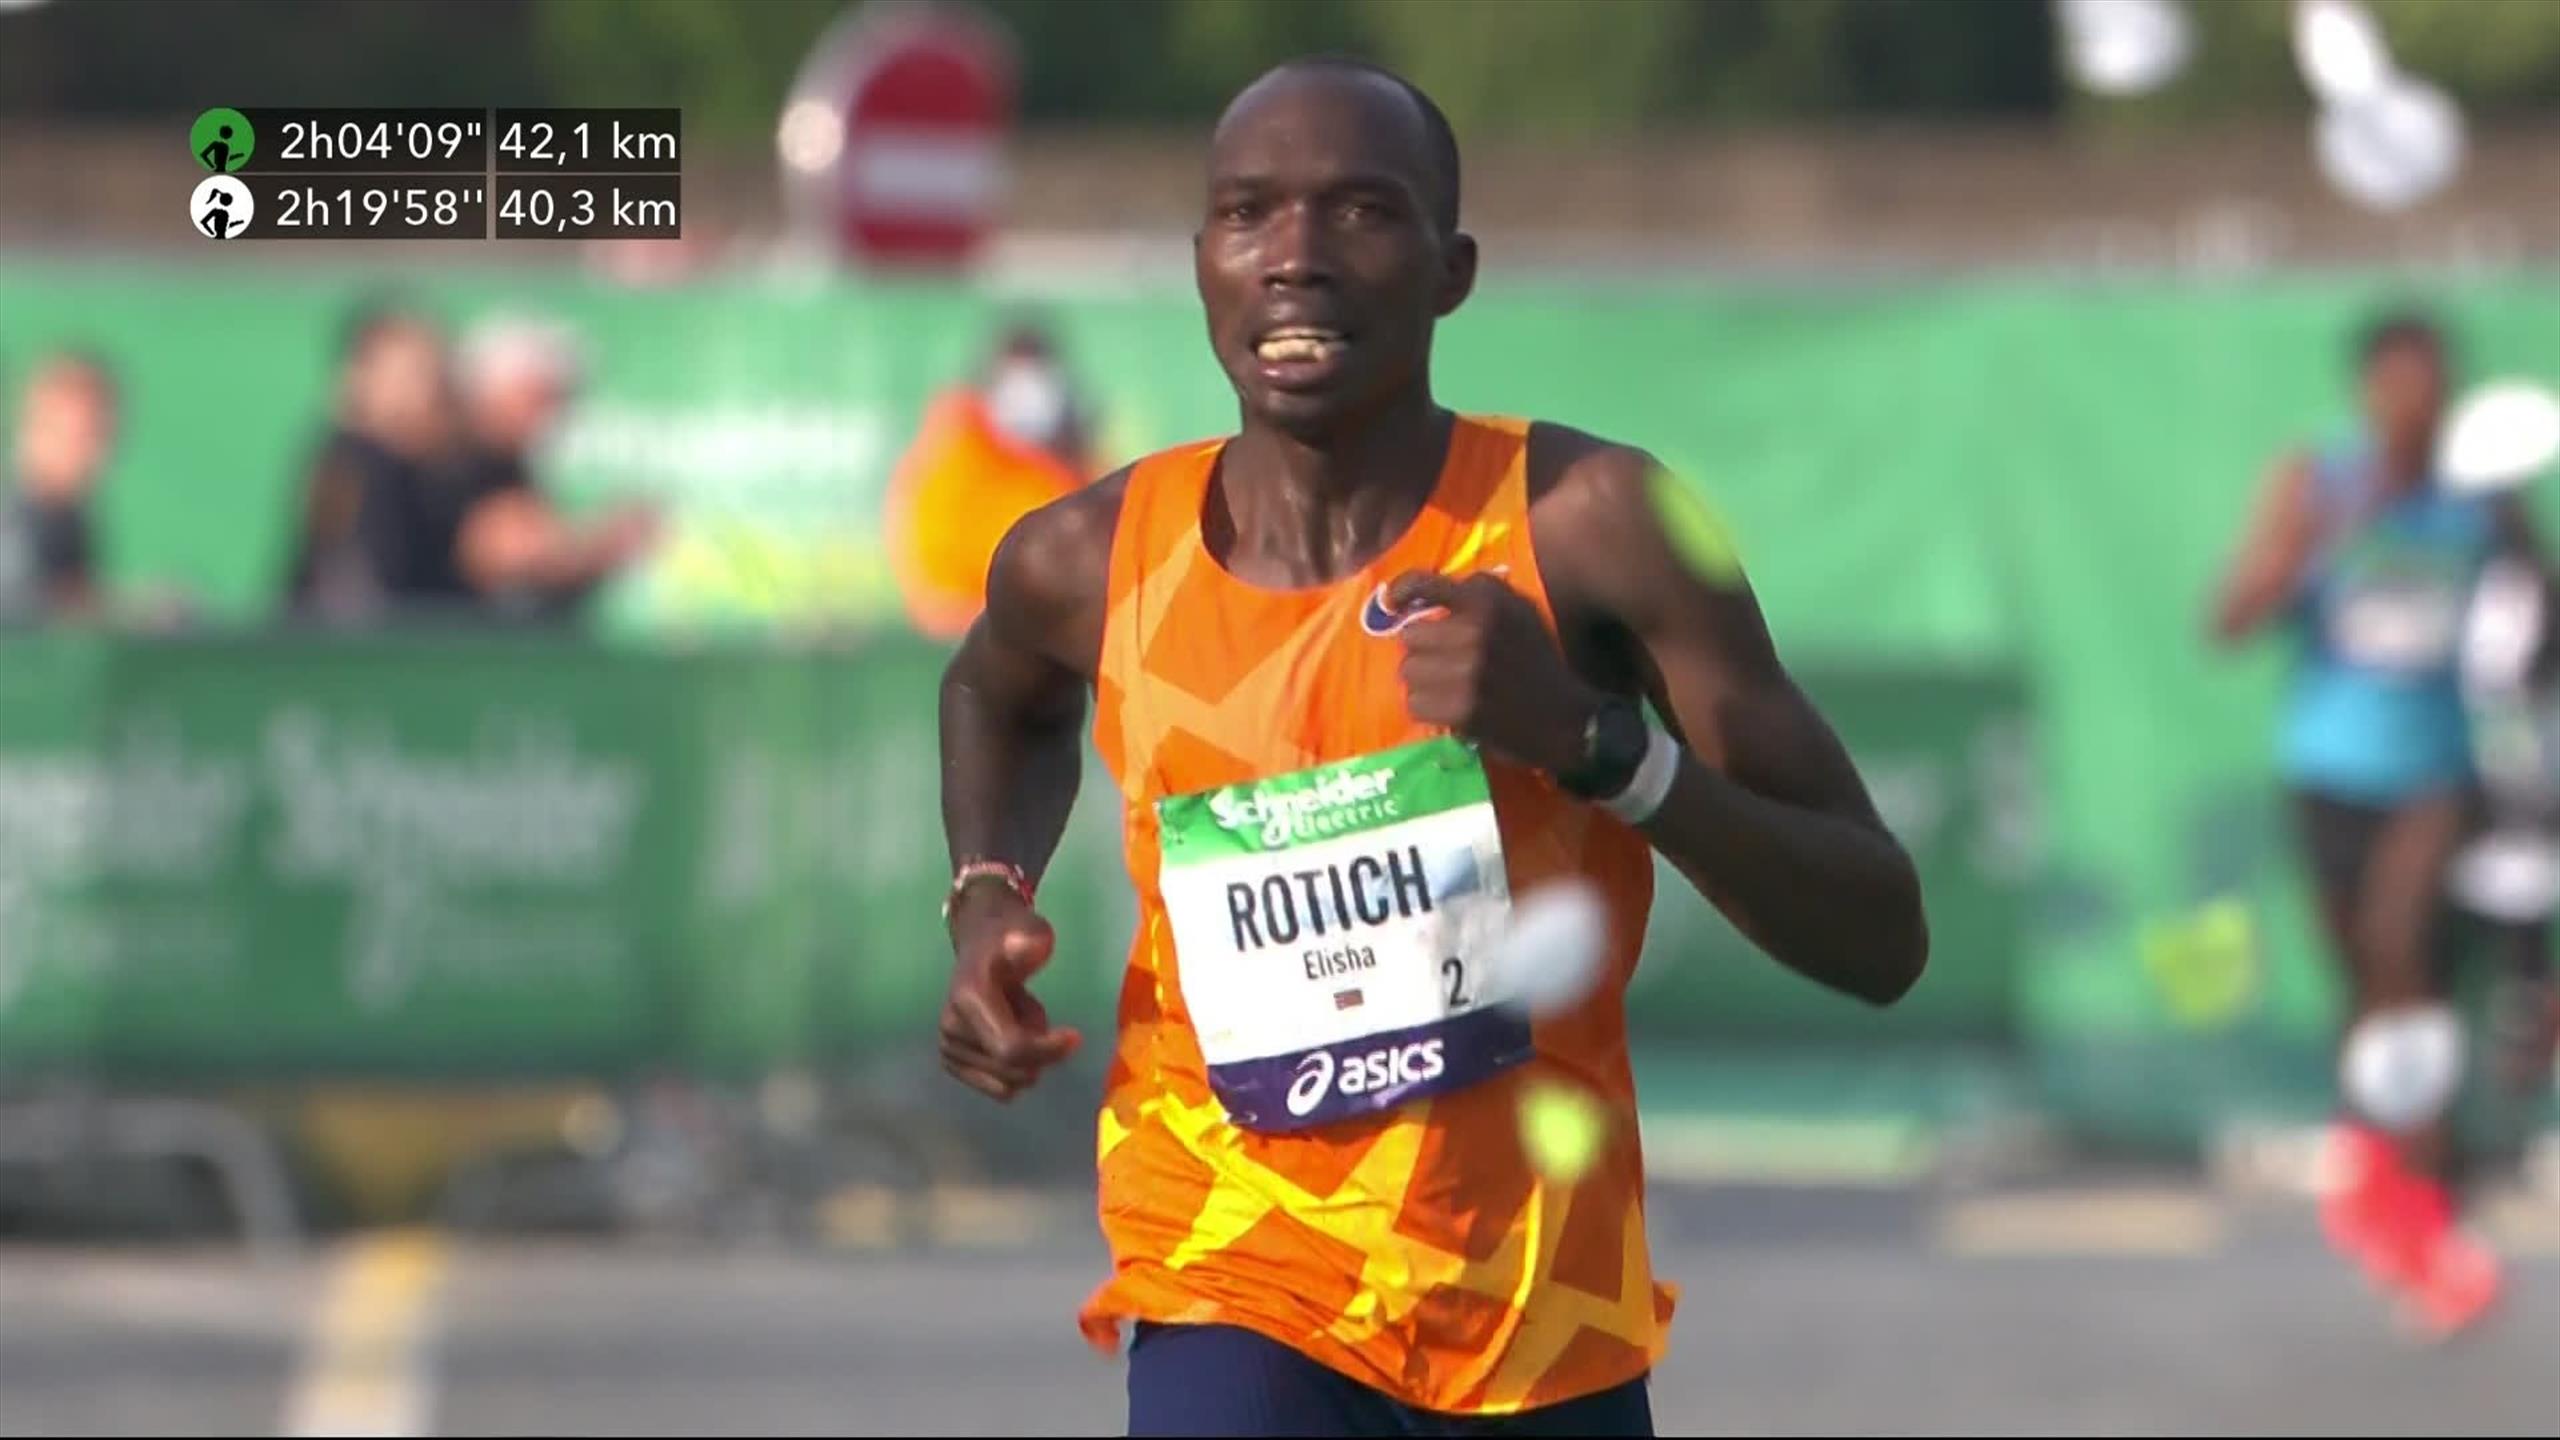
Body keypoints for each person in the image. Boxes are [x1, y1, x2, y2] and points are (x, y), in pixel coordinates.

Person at [934, 57, 1928, 1437]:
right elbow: (997, 693)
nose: (1295, 258)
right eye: (1249, 214)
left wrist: (1597, 747)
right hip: (1229, 1270)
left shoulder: (1594, 524)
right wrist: (987, 894)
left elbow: (1880, 934)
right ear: (1202, 262)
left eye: (1360, 213)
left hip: (1537, 1313)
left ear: (1453, 269)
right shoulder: (1089, 557)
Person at [2210, 310, 2549, 1338]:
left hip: (2436, 778)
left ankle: (2434, 1202)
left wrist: (2512, 525)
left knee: (2406, 950)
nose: (2414, 409)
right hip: (2328, 773)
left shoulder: (2477, 500)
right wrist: (2313, 541)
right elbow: (2227, 622)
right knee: (2371, 989)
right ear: (2366, 394)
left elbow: (2541, 603)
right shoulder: (2316, 483)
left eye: (2432, 390)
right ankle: (2399, 1202)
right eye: (2396, 389)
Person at [885, 321, 1096, 640]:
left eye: (1038, 379)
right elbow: (934, 582)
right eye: (1017, 381)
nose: (1030, 397)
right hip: (966, 638)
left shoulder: (1072, 462)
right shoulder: (955, 455)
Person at [450, 315, 656, 622]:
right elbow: (493, 554)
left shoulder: (515, 469)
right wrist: (587, 553)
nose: (554, 415)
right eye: (540, 396)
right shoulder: (452, 466)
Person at [0, 350, 118, 622]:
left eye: (102, 435)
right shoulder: (14, 519)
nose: (94, 453)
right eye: (80, 436)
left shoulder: (70, 518)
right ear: (34, 428)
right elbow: (23, 611)